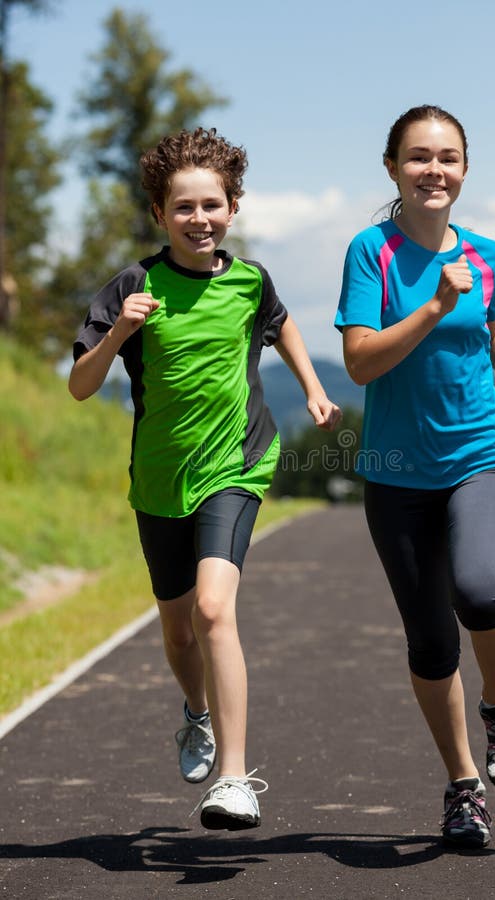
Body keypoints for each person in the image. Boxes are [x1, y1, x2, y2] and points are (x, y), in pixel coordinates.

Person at [334, 104, 495, 849]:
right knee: (430, 644)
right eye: (419, 157)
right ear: (392, 168)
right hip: (397, 471)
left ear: (465, 169)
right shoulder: (371, 251)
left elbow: (490, 334)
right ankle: (463, 788)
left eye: (447, 157)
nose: (434, 170)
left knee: (480, 588)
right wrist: (433, 307)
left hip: (483, 449)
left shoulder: (486, 253)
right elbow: (359, 362)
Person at [69, 126, 341, 832]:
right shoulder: (133, 285)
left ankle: (234, 779)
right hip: (160, 480)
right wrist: (118, 334)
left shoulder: (251, 280)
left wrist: (313, 389)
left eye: (212, 204)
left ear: (233, 208)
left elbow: (282, 326)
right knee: (179, 630)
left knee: (214, 611)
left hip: (237, 463)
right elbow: (79, 385)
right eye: (183, 207)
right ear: (159, 214)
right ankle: (196, 713)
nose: (199, 218)